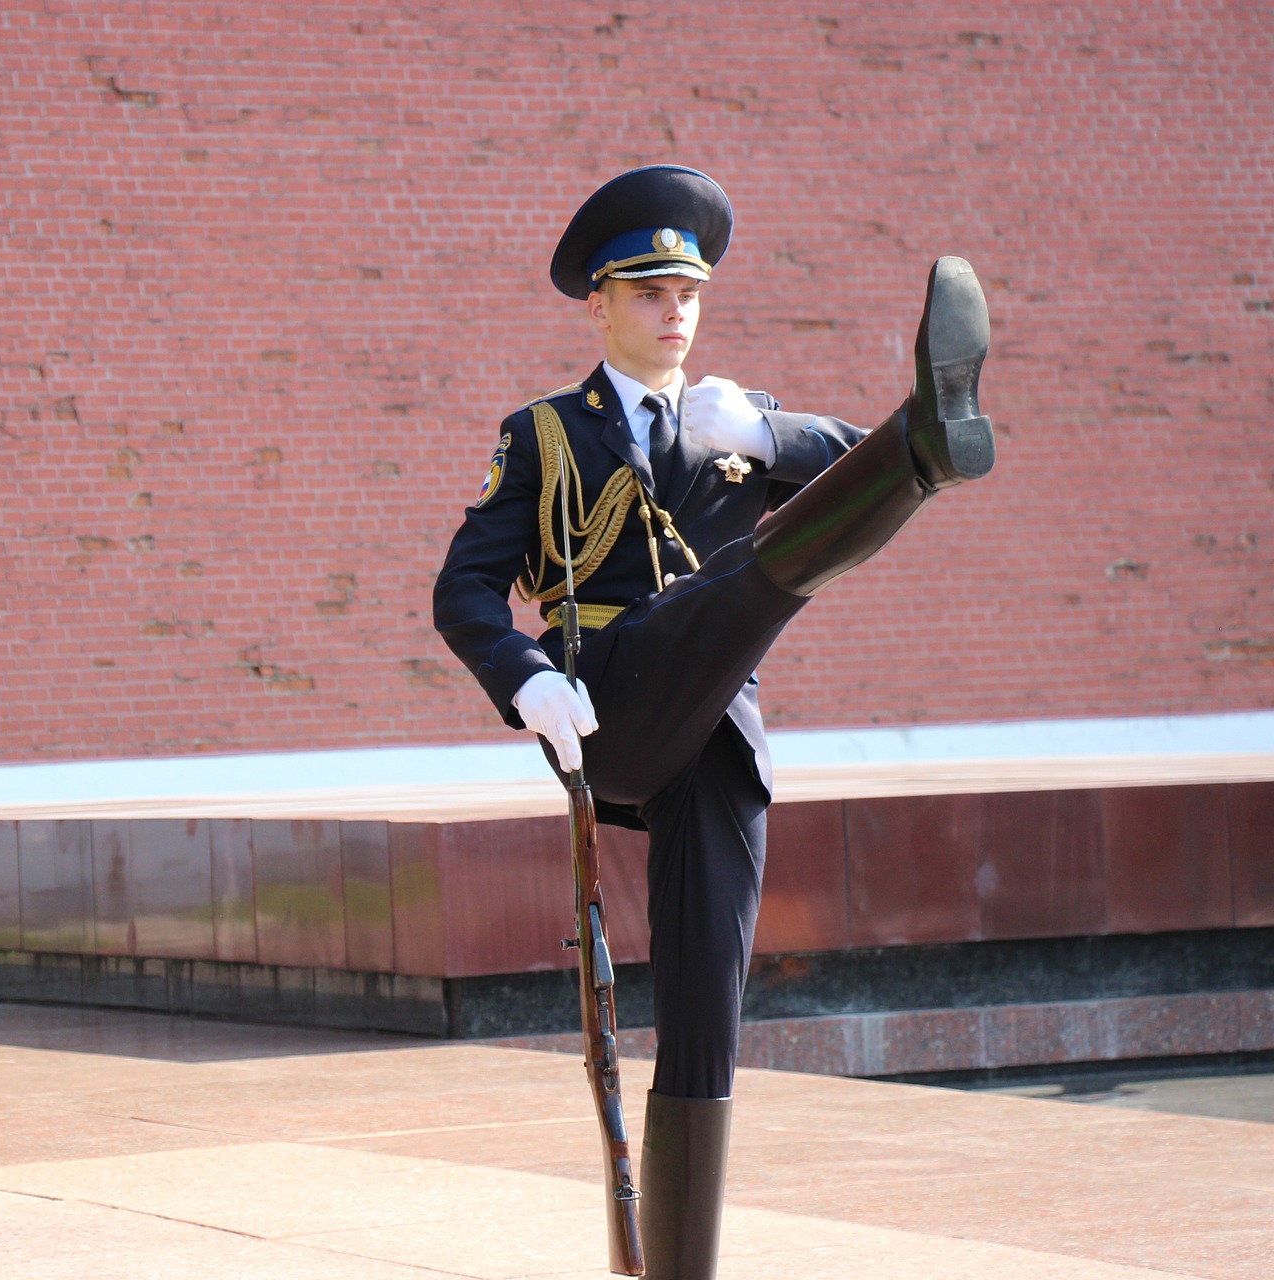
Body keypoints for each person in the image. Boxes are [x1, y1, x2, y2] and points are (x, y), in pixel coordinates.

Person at [432, 165, 992, 1279]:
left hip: (719, 735)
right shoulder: (547, 434)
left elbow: (848, 470)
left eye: (688, 293)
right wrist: (524, 677)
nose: (674, 311)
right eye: (649, 293)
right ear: (599, 305)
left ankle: (680, 1269)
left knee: (706, 1009)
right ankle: (926, 444)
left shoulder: (742, 420)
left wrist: (823, 442)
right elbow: (463, 591)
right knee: (747, 582)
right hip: (614, 703)